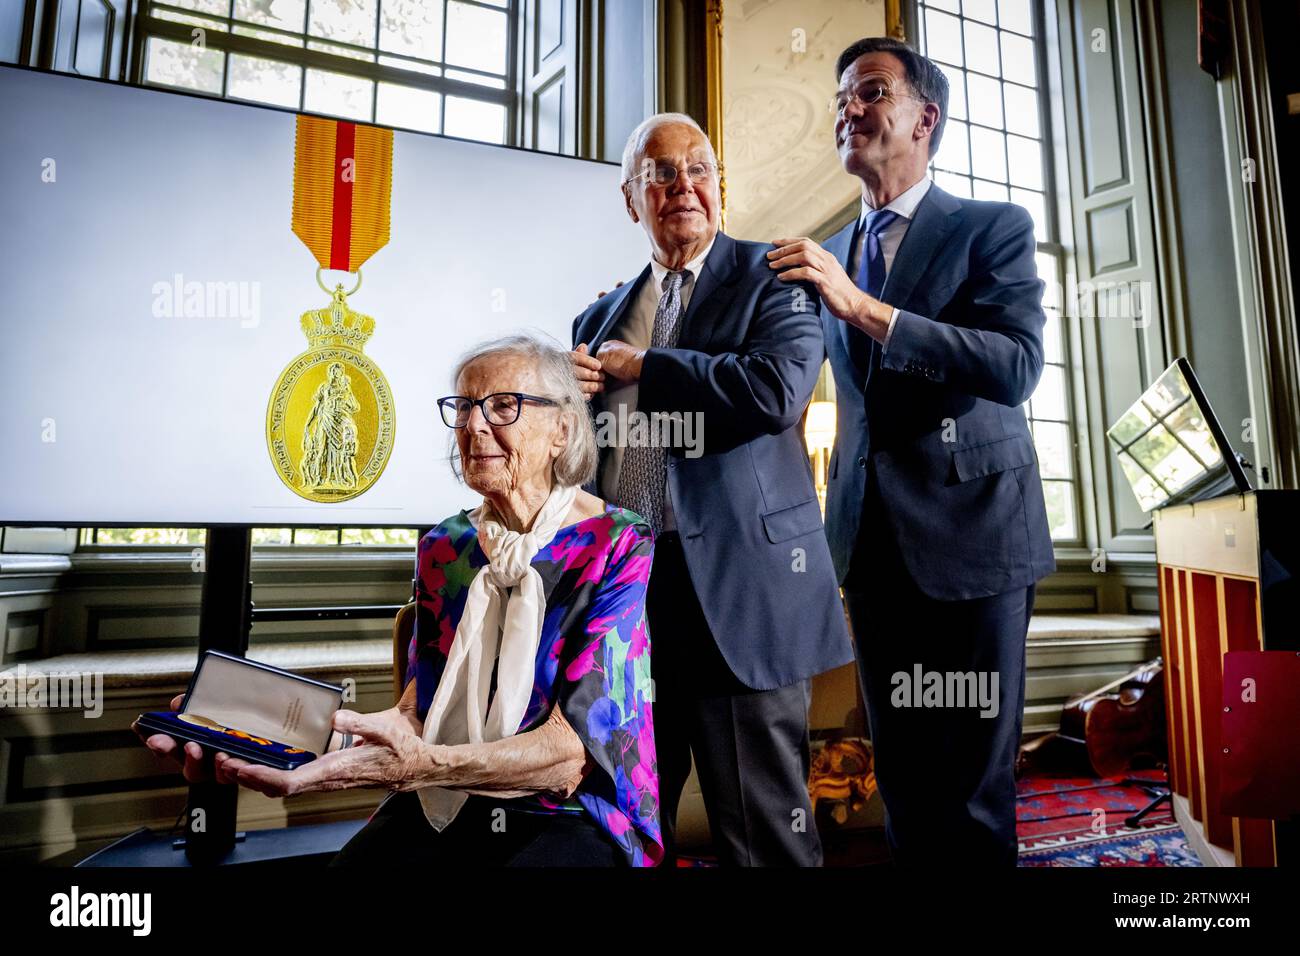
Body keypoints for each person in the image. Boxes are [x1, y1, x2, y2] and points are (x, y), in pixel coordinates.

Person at [135, 334, 661, 867]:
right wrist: (301, 740)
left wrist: (420, 766)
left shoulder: (616, 543)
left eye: (503, 406)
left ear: (562, 430)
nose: (474, 427)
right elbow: (417, 711)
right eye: (463, 407)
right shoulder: (445, 546)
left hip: (572, 810)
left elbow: (567, 758)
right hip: (448, 798)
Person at [766, 36, 1056, 866]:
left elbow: (1015, 367)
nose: (847, 109)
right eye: (840, 99)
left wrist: (864, 309)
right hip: (872, 552)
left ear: (924, 118)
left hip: (977, 542)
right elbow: (767, 372)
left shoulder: (992, 229)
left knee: (970, 785)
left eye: (870, 92)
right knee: (904, 780)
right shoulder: (831, 249)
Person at [570, 112, 854, 866]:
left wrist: (644, 369)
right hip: (626, 607)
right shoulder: (596, 319)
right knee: (626, 827)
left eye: (698, 168)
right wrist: (560, 408)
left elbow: (770, 393)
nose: (681, 186)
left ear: (720, 186)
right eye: (659, 174)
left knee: (762, 837)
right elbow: (580, 466)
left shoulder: (778, 278)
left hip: (741, 597)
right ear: (631, 199)